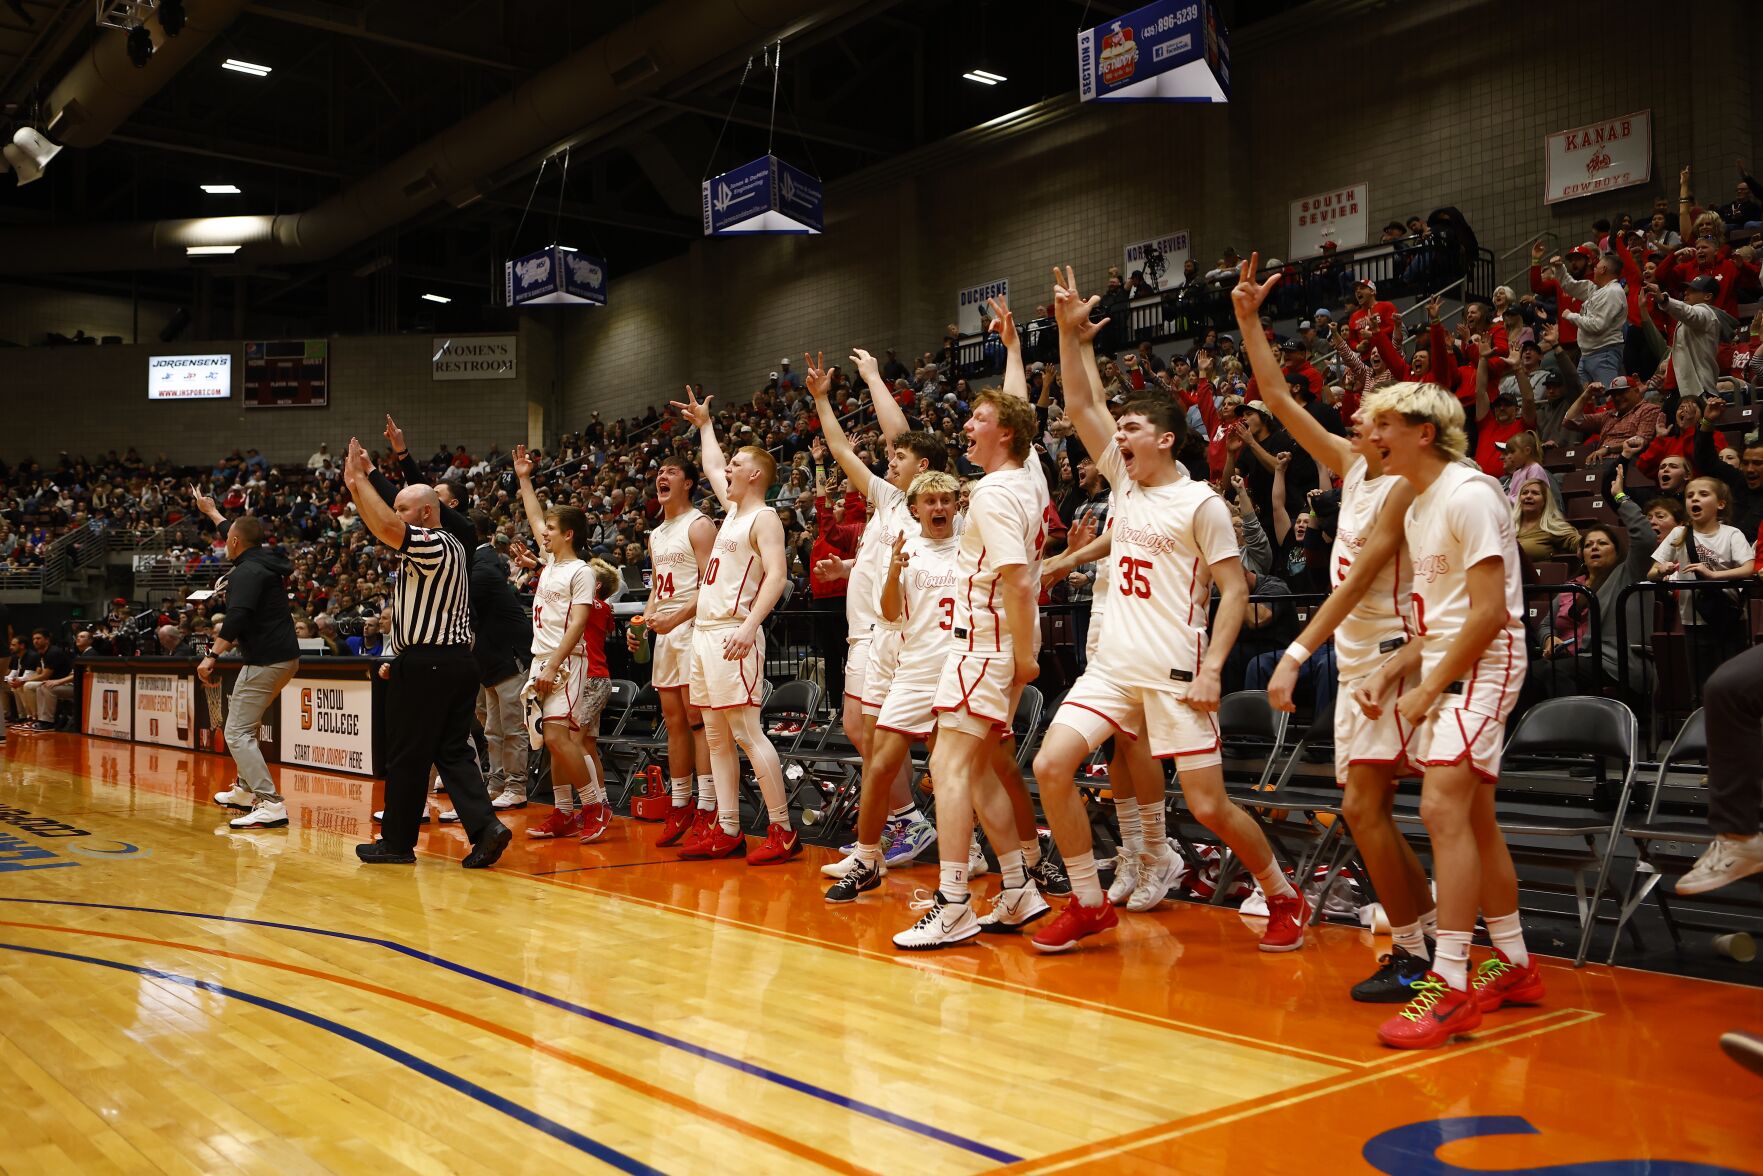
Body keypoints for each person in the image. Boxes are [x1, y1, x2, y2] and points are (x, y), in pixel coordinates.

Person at [1025, 265, 1281, 954]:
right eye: (1121, 430)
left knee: (1207, 805)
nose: (1119, 438)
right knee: (1051, 766)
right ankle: (1086, 902)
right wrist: (1066, 334)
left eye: (1131, 428)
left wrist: (1214, 669)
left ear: (1164, 439)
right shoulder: (1127, 485)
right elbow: (1080, 406)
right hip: (1112, 666)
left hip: (1173, 669)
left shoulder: (1199, 503)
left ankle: (1280, 892)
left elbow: (1234, 590)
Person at [1236, 255, 1438, 997]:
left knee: (1370, 806)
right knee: (1367, 812)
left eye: (1368, 416)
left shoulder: (1411, 492)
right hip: (1353, 658)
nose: (1352, 419)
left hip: (1393, 652)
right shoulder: (1352, 467)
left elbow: (1356, 588)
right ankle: (1424, 936)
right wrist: (1249, 320)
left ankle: (1429, 948)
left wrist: (1296, 651)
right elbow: (1276, 396)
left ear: (1398, 433)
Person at [1360, 381, 1542, 1049]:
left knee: (1439, 809)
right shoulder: (1416, 506)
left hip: (1486, 665)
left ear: (1423, 432)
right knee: (1470, 817)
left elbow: (1489, 614)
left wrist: (1427, 684)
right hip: (1451, 666)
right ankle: (1516, 965)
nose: (1371, 438)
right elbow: (1438, 625)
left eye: (1382, 426)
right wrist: (1392, 669)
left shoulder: (1468, 495)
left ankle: (1451, 984)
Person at [892, 372, 1052, 950]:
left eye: (978, 419)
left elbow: (1014, 577)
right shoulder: (1026, 482)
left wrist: (1025, 656)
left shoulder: (992, 492)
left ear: (1005, 434)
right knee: (976, 771)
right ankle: (1018, 888)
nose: (966, 426)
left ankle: (953, 901)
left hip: (984, 641)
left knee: (948, 770)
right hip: (990, 643)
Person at [339, 437, 510, 869]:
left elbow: (383, 529)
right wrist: (357, 488)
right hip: (453, 664)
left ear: (427, 514)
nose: (398, 517)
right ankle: (486, 828)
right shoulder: (451, 547)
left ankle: (397, 842)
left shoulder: (434, 544)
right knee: (451, 751)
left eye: (404, 509)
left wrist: (360, 482)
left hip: (430, 663)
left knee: (407, 755)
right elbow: (382, 526)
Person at [808, 346, 946, 873]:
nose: (889, 458)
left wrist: (870, 377)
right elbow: (841, 448)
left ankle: (909, 823)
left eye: (900, 457)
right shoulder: (889, 500)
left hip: (898, 636)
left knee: (880, 733)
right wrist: (847, 570)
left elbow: (898, 434)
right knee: (863, 730)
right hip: (864, 631)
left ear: (924, 466)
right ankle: (903, 824)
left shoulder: (931, 511)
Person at [671, 386, 799, 865]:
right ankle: (728, 829)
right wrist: (705, 426)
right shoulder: (732, 515)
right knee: (718, 736)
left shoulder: (764, 518)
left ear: (755, 474)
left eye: (734, 466)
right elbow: (709, 464)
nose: (724, 471)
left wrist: (750, 627)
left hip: (733, 632)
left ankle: (783, 829)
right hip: (705, 635)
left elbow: (778, 576)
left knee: (747, 732)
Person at [822, 470, 962, 902]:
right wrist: (892, 573)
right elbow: (888, 612)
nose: (938, 508)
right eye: (930, 501)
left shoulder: (973, 546)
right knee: (879, 765)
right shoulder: (904, 547)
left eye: (946, 500)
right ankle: (867, 860)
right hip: (913, 670)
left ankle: (971, 864)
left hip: (956, 669)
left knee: (950, 774)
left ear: (957, 505)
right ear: (915, 509)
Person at [511, 444, 611, 839]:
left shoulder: (582, 572)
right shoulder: (552, 563)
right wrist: (524, 479)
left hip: (568, 661)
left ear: (568, 534)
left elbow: (580, 621)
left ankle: (595, 805)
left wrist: (553, 663)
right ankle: (564, 812)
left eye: (551, 530)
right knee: (548, 741)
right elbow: (536, 516)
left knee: (558, 734)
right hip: (542, 659)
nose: (543, 533)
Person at [190, 487, 303, 830]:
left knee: (237, 731)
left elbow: (236, 617)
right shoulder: (261, 558)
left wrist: (212, 655)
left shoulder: (245, 574)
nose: (224, 542)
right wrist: (212, 512)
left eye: (227, 539)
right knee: (245, 725)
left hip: (266, 660)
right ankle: (243, 790)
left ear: (236, 544)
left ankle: (269, 803)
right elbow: (237, 529)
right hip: (279, 658)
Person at [631, 456, 718, 850]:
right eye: (659, 471)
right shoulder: (656, 533)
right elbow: (655, 589)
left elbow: (711, 586)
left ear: (688, 483)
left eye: (671, 472)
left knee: (697, 720)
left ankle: (708, 806)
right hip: (667, 632)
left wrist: (675, 618)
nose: (661, 476)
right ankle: (680, 803)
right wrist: (647, 618)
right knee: (673, 721)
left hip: (693, 629)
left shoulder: (699, 525)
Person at [465, 510, 534, 823]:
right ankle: (497, 782)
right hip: (490, 661)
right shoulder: (482, 563)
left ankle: (516, 786)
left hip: (509, 658)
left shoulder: (484, 567)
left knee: (512, 728)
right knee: (493, 729)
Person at [1551, 250, 1628, 387]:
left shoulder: (1613, 292)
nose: (1594, 268)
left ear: (1603, 269)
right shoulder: (1596, 289)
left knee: (1609, 397)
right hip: (1588, 354)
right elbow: (1570, 285)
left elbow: (1597, 325)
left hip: (1603, 354)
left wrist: (1571, 316)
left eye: (1597, 266)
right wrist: (1559, 267)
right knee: (1583, 399)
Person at [18, 627, 73, 733]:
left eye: (38, 638)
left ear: (47, 640)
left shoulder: (53, 652)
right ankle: (35, 717)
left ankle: (46, 721)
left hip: (67, 683)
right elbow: (40, 672)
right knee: (33, 687)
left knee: (37, 686)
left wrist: (24, 680)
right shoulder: (41, 653)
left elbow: (45, 675)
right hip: (54, 682)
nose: (35, 641)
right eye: (34, 639)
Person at [1513, 479, 1580, 563]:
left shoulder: (1553, 526)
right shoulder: (1507, 526)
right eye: (1524, 493)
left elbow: (1576, 542)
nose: (1528, 496)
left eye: (1535, 493)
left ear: (1545, 501)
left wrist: (1582, 546)